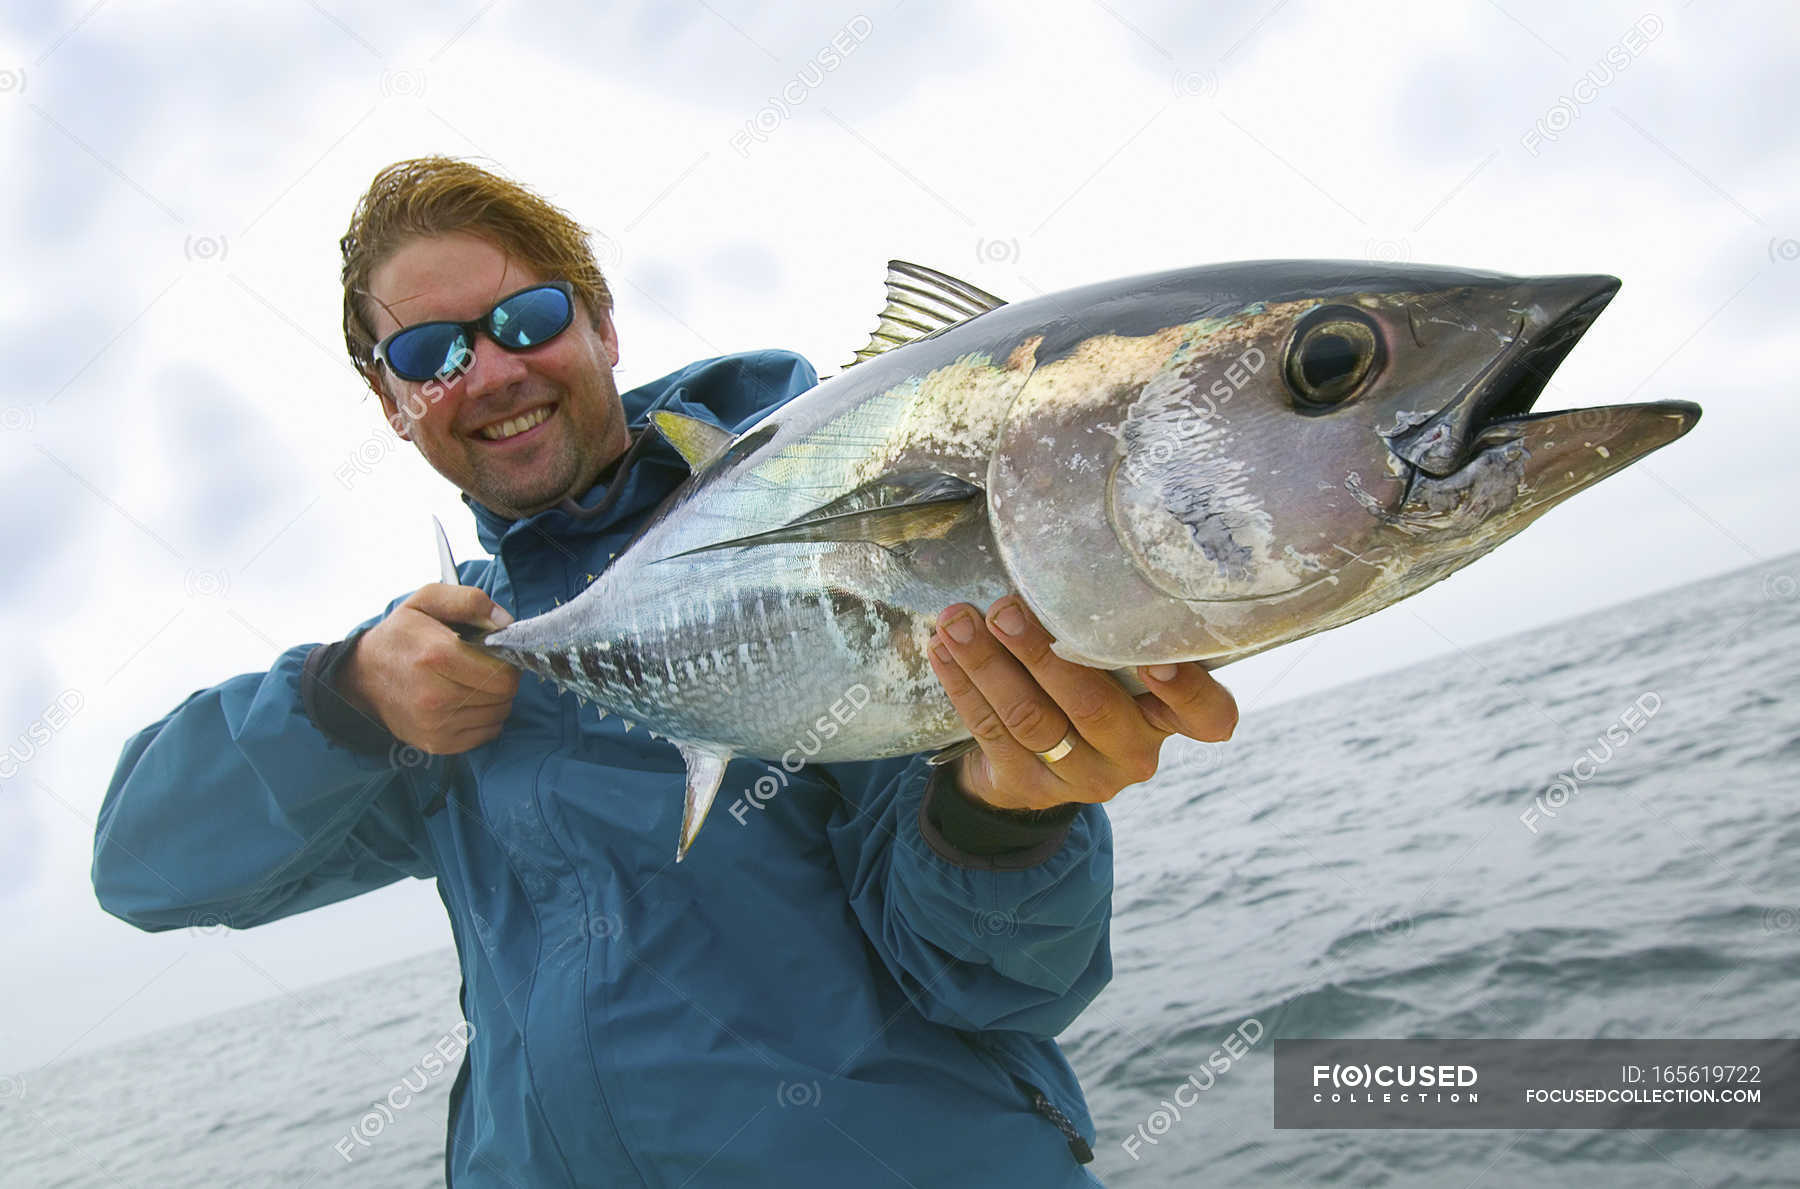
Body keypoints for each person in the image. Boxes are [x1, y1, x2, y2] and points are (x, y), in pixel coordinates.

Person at [93, 157, 1237, 1187]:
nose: (490, 368)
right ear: (392, 406)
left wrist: (1005, 823)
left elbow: (1000, 987)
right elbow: (146, 868)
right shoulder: (442, 676)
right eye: (428, 354)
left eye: (527, 317)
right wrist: (340, 697)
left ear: (603, 329)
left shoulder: (842, 544)